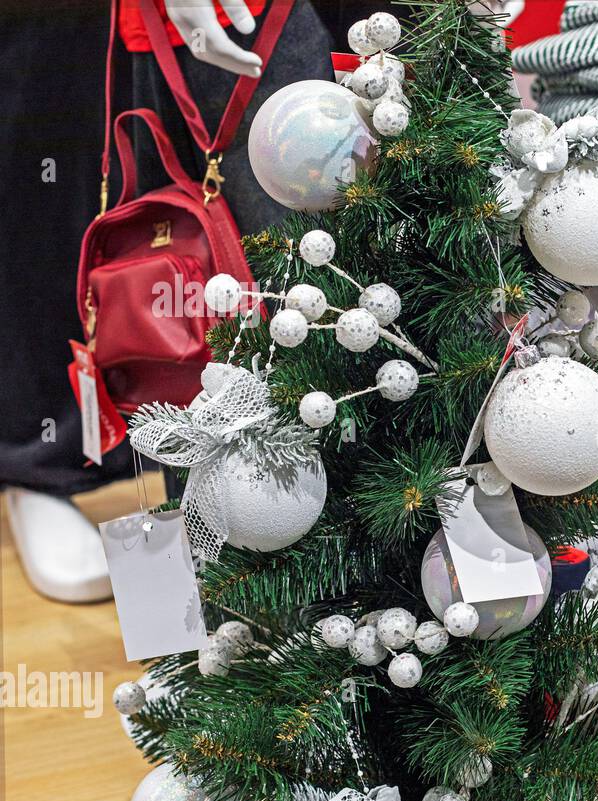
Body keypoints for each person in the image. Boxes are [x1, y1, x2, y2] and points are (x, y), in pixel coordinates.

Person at [0, 1, 378, 602]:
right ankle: (227, 587)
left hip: (250, 32)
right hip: (186, 30)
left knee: (319, 288)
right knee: (258, 303)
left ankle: (290, 582)